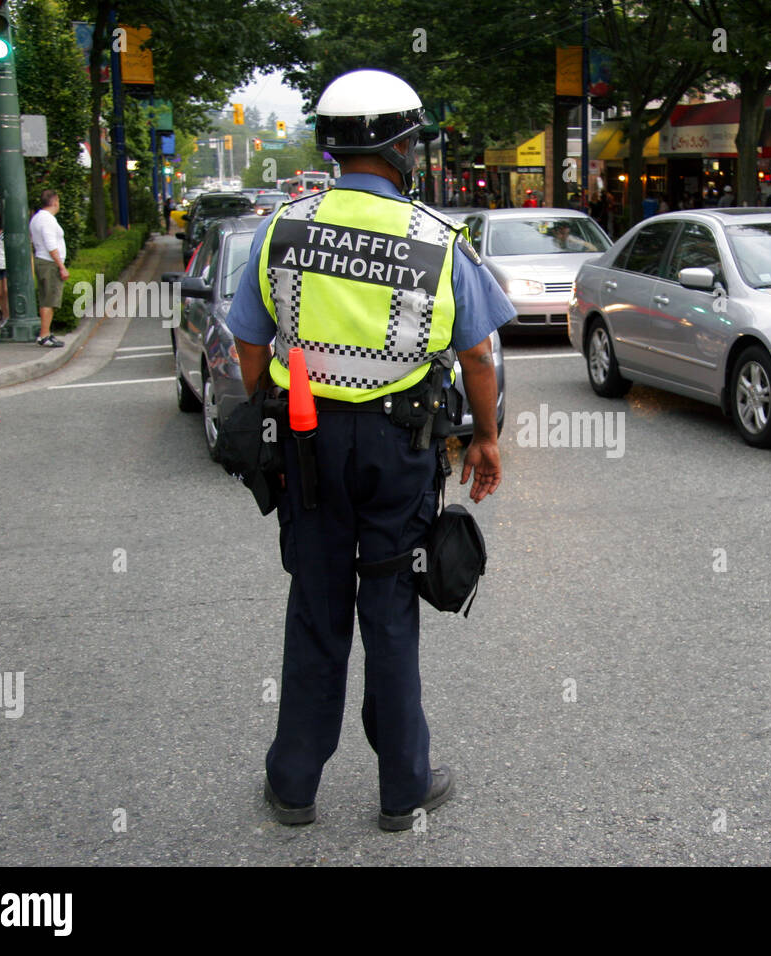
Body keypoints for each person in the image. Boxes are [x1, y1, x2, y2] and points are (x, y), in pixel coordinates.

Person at [225, 69, 513, 832]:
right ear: (402, 145)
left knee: (317, 606)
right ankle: (402, 789)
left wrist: (269, 414)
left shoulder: (278, 230)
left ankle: (292, 786)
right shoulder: (436, 239)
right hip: (401, 446)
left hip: (308, 444)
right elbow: (479, 356)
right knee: (390, 608)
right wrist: (485, 437)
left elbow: (249, 344)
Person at [28, 189, 68, 347]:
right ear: (54, 202)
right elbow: (51, 244)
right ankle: (44, 334)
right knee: (50, 300)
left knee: (46, 299)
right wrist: (61, 266)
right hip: (49, 263)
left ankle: (46, 333)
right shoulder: (47, 220)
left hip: (42, 260)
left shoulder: (37, 218)